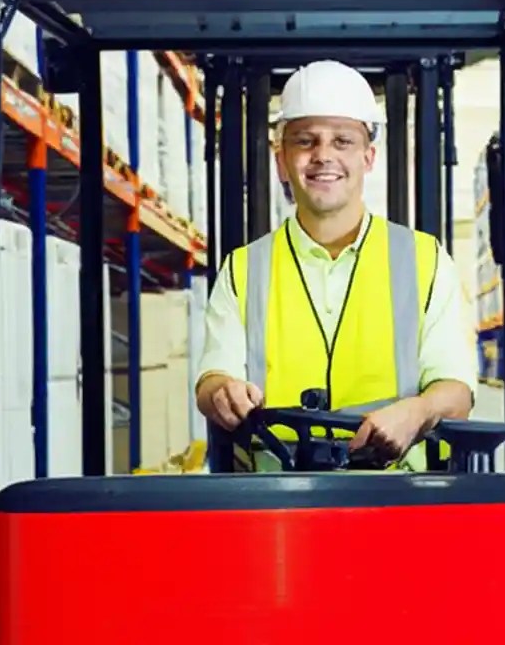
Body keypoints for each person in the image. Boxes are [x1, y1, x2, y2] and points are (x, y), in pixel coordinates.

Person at [194, 59, 476, 470]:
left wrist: (416, 411)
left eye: (342, 141)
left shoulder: (425, 261)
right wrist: (223, 392)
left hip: (399, 500)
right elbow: (212, 379)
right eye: (305, 141)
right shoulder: (243, 269)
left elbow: (457, 391)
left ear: (368, 157)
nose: (323, 155)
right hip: (272, 503)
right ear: (281, 160)